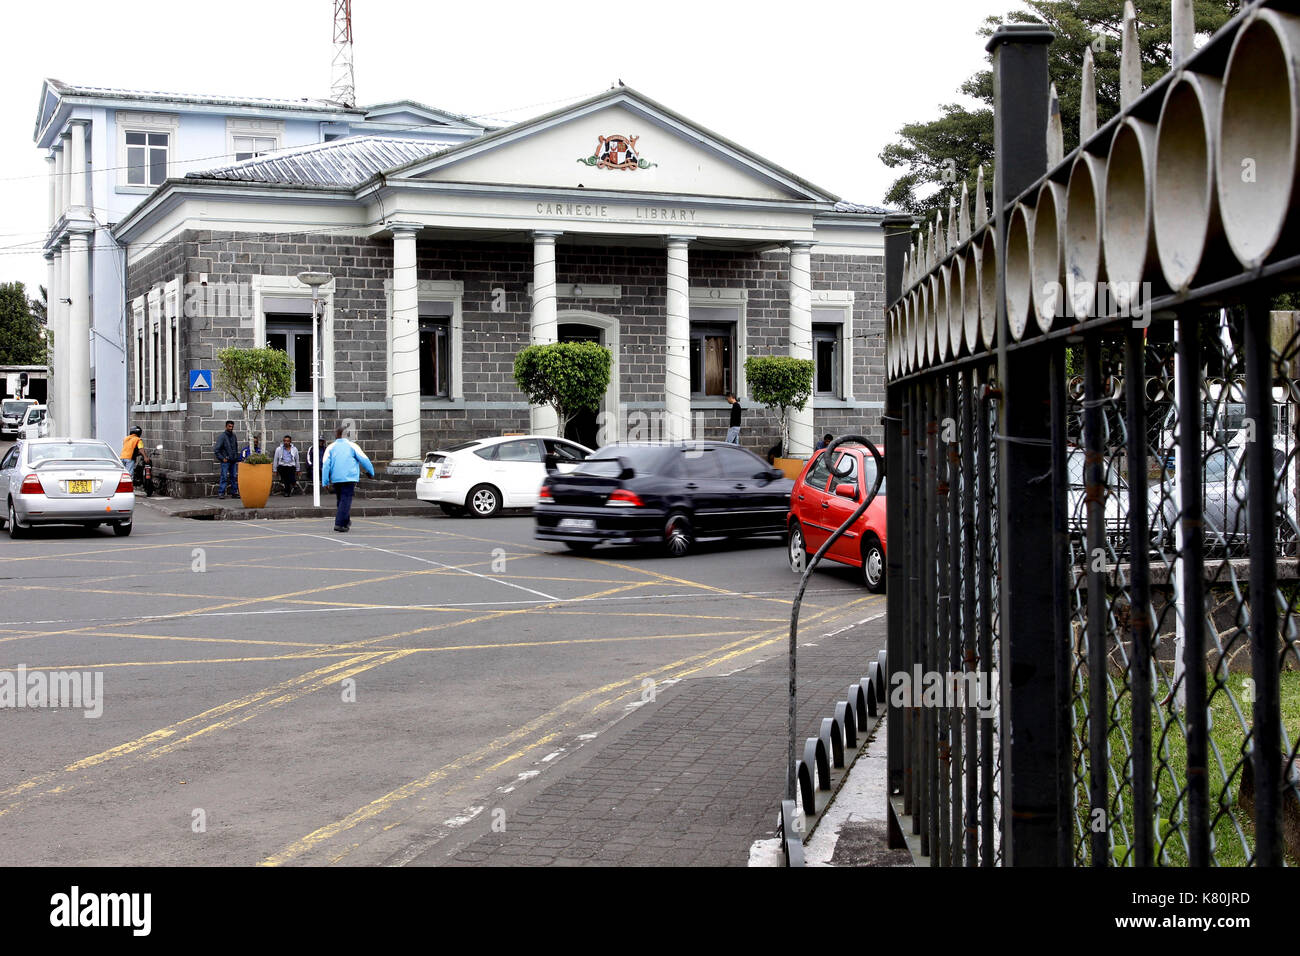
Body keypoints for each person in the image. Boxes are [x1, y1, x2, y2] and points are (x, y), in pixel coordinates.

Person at [321, 426, 374, 532]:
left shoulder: (330, 447)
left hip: (336, 478)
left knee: (340, 500)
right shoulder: (353, 446)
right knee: (345, 500)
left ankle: (345, 521)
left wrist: (325, 481)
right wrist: (371, 472)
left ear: (336, 434)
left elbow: (326, 465)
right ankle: (339, 523)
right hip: (349, 477)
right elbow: (364, 460)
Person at [214, 420, 240, 499]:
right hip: (226, 461)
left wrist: (235, 457)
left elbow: (235, 447)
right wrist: (222, 458)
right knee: (224, 477)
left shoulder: (234, 436)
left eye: (232, 427)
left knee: (233, 477)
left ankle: (234, 492)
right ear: (226, 427)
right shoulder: (222, 436)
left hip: (233, 460)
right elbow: (216, 450)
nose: (231, 428)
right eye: (229, 426)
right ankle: (221, 493)